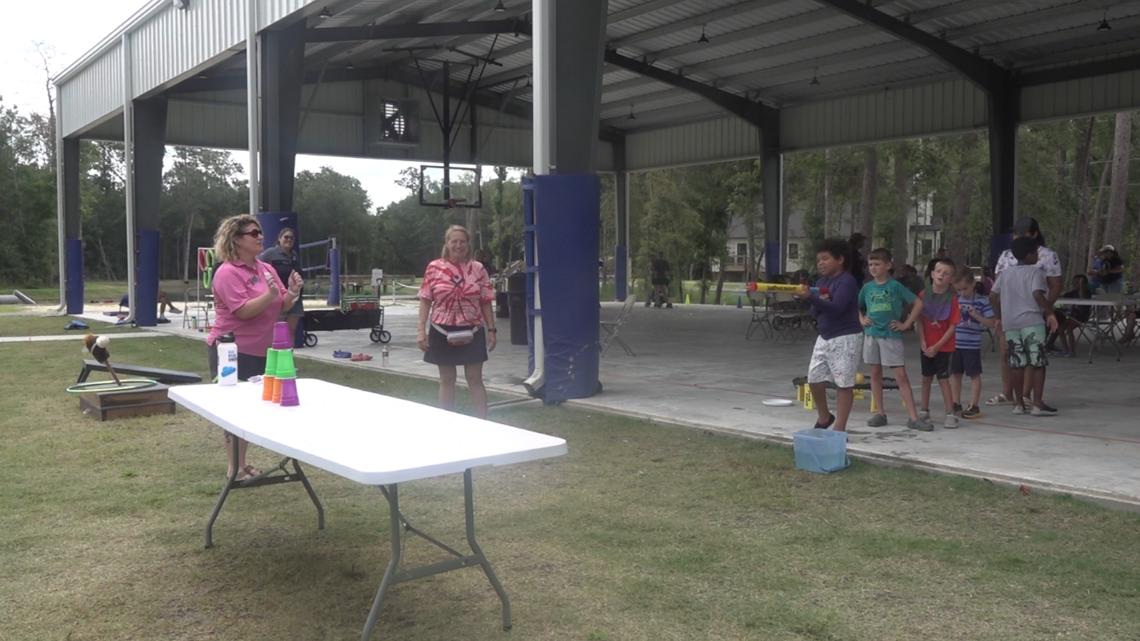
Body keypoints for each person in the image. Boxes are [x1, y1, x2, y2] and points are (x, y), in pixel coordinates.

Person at [209, 214, 303, 481]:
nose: (260, 236)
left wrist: (292, 293)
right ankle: (234, 469)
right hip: (231, 351)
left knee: (250, 409)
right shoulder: (227, 272)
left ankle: (242, 463)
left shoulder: (265, 268)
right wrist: (271, 295)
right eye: (253, 233)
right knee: (234, 410)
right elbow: (243, 312)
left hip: (262, 350)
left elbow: (282, 303)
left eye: (260, 232)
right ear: (236, 239)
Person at [417, 225, 497, 418]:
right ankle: (448, 423)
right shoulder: (434, 267)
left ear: (468, 244)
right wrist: (421, 330)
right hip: (441, 330)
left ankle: (483, 423)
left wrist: (492, 330)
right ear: (447, 243)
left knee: (474, 379)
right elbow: (426, 300)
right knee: (446, 379)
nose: (458, 245)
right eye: (454, 241)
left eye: (462, 241)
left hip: (473, 330)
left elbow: (486, 301)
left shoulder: (478, 269)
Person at [987, 217, 1062, 411]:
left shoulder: (1007, 272)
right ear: (1031, 254)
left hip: (1011, 322)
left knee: (1017, 362)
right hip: (1031, 319)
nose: (1017, 236)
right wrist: (1049, 312)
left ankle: (1019, 402)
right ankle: (1036, 403)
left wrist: (999, 316)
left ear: (1035, 234)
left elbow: (993, 295)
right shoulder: (1035, 272)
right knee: (1036, 361)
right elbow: (1038, 294)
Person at [858, 248, 929, 431]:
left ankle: (913, 417)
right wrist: (862, 319)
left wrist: (906, 324)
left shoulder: (895, 286)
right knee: (875, 373)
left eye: (877, 264)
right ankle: (880, 412)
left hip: (891, 335)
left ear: (888, 265)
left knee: (901, 376)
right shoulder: (867, 287)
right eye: (870, 264)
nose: (873, 268)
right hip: (872, 334)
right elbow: (859, 306)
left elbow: (918, 303)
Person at [796, 238, 862, 432]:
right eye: (818, 260)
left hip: (846, 338)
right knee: (814, 379)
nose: (820, 263)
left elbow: (837, 309)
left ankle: (839, 429)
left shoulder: (847, 281)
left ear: (840, 259)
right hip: (824, 336)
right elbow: (814, 313)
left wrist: (813, 298)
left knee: (844, 384)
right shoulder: (821, 282)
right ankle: (824, 417)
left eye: (825, 259)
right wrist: (813, 300)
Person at [915, 257, 960, 429]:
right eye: (939, 271)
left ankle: (950, 413)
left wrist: (938, 346)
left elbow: (952, 327)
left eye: (946, 273)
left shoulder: (953, 299)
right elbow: (919, 321)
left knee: (943, 379)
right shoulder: (923, 295)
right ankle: (924, 411)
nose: (942, 275)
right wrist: (923, 342)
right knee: (926, 378)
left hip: (944, 347)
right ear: (932, 274)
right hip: (926, 346)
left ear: (951, 279)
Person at [950, 266, 996, 420]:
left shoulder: (982, 301)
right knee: (955, 373)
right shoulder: (955, 301)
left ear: (973, 285)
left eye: (965, 289)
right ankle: (955, 402)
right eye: (958, 290)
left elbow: (991, 322)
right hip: (955, 343)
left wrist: (977, 316)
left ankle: (974, 405)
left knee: (974, 374)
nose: (962, 293)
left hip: (971, 344)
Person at [258, 227, 304, 342]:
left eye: (291, 238)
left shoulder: (294, 255)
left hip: (295, 298)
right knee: (277, 331)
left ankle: (289, 357)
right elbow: (257, 267)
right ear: (279, 239)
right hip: (278, 297)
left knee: (291, 331)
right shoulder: (270, 253)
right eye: (286, 237)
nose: (289, 240)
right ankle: (275, 357)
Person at [1046, 274, 1092, 357]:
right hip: (1072, 316)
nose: (1075, 285)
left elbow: (1082, 299)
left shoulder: (1087, 292)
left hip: (1081, 316)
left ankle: (1072, 351)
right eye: (1074, 283)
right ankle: (1065, 350)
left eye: (1078, 283)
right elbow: (1063, 298)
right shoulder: (1072, 293)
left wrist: (1081, 287)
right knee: (1060, 329)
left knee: (1069, 328)